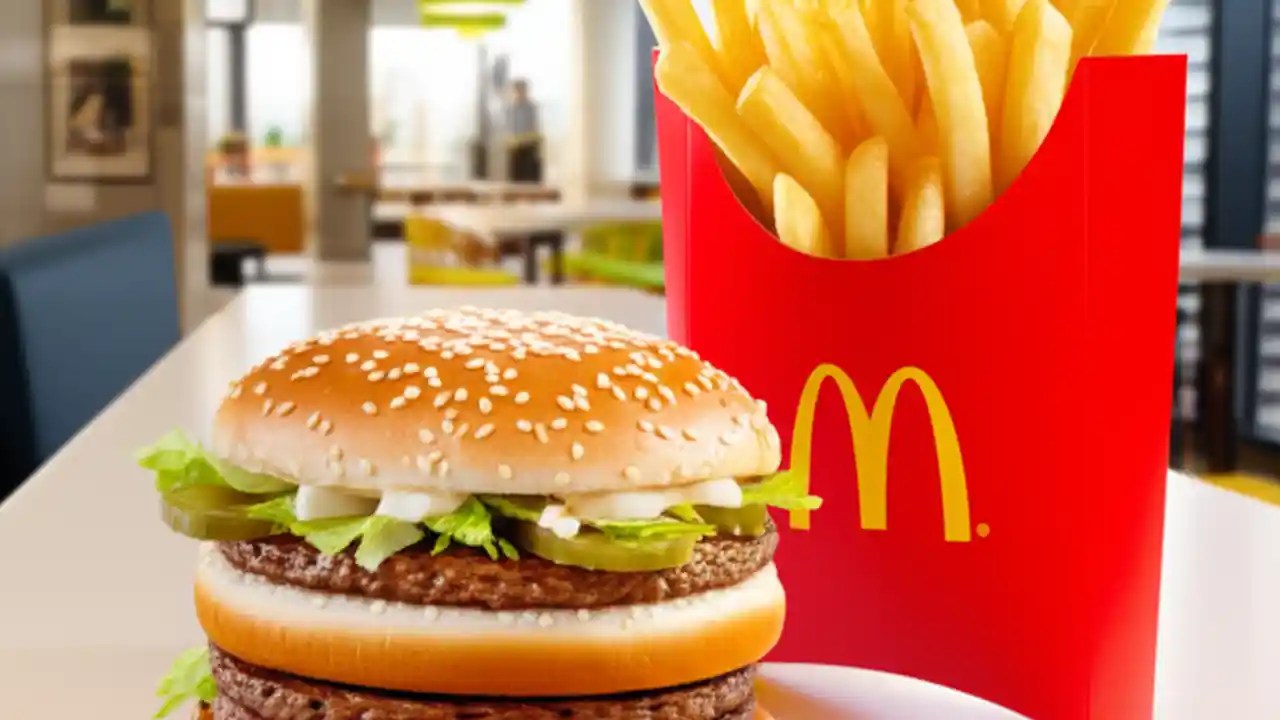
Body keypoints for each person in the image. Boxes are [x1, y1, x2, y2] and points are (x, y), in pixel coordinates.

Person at [505, 78, 542, 183]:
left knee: (530, 176)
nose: (520, 92)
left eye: (522, 89)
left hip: (529, 145)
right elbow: (508, 127)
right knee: (516, 177)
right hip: (515, 147)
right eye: (517, 90)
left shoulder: (532, 107)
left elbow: (534, 126)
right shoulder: (510, 108)